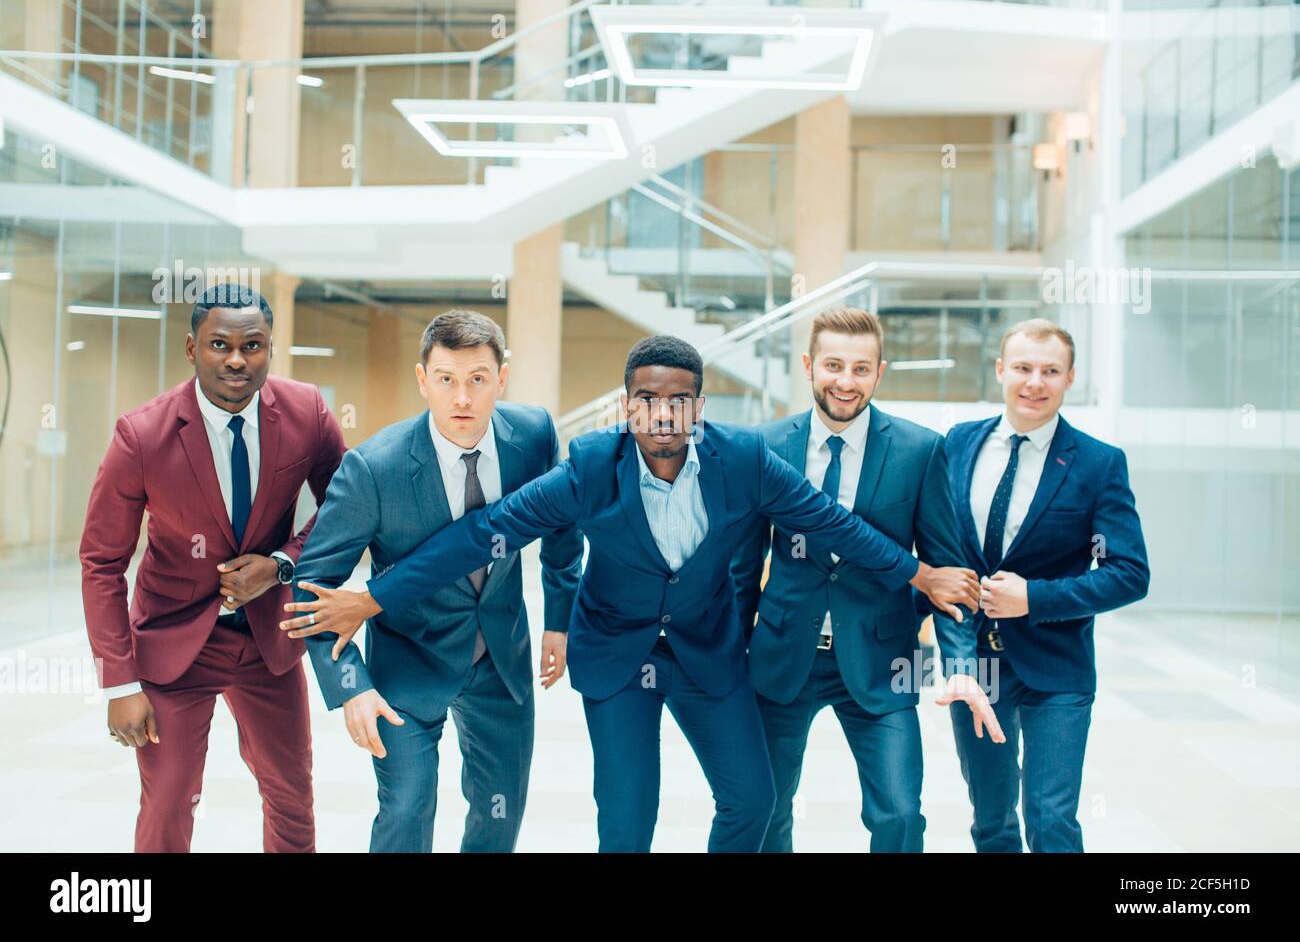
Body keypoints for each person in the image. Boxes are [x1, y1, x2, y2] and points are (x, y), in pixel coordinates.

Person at [284, 334, 978, 852]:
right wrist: (374, 598)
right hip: (617, 657)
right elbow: (489, 531)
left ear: (699, 406)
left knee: (753, 800)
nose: (664, 411)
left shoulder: (743, 460)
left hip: (708, 654)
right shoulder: (592, 465)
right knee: (627, 815)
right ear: (628, 405)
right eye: (648, 398)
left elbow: (831, 523)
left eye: (680, 398)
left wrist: (917, 575)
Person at [285, 310, 581, 852]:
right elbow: (310, 588)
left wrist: (559, 622)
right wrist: (352, 686)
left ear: (501, 378)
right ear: (423, 380)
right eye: (445, 380)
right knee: (407, 809)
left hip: (500, 661)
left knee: (500, 811)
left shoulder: (533, 437)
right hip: (406, 665)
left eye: (477, 379)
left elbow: (562, 532)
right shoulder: (374, 468)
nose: (461, 398)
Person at [79, 283, 347, 852]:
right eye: (219, 344)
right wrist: (120, 682)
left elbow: (346, 512)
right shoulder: (142, 435)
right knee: (170, 800)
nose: (236, 359)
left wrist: (281, 565)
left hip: (267, 644)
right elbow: (102, 562)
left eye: (253, 345)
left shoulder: (308, 413)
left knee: (292, 795)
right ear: (190, 348)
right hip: (174, 645)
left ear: (270, 348)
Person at [732, 306, 1000, 853]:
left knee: (900, 815)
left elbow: (946, 575)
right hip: (782, 654)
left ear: (880, 373)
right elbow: (740, 566)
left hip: (889, 658)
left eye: (860, 369)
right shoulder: (763, 445)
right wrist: (729, 652)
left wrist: (962, 667)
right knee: (765, 813)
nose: (845, 382)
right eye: (833, 365)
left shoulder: (920, 450)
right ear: (809, 366)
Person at [943, 318, 1149, 852]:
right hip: (979, 667)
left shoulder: (1099, 463)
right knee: (991, 820)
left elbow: (1129, 574)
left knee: (1051, 820)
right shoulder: (959, 444)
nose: (1035, 382)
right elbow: (943, 554)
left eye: (1050, 371)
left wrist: (1033, 597)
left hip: (1057, 667)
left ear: (1069, 377)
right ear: (1000, 371)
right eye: (1023, 368)